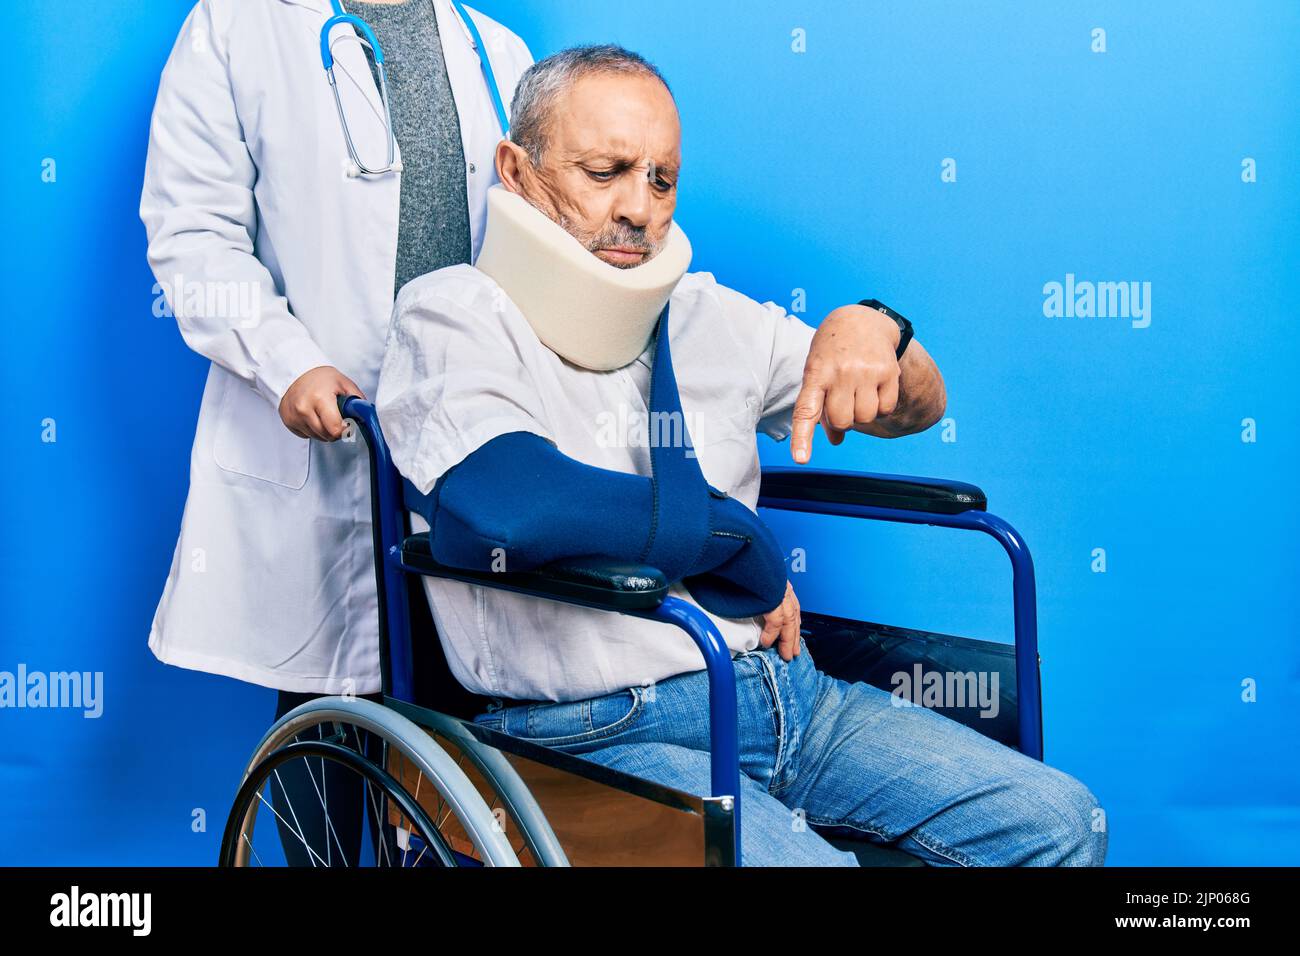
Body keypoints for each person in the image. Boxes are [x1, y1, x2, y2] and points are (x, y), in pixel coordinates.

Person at [375, 44, 1108, 866]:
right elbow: (508, 502)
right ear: (517, 169)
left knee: (1063, 821)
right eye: (605, 171)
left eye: (660, 179)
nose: (639, 209)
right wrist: (738, 543)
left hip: (790, 694)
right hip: (598, 734)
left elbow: (913, 409)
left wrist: (881, 331)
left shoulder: (708, 313)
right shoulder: (453, 316)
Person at [139, 0, 532, 865]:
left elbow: (543, 237)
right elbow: (191, 233)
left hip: (467, 443)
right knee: (329, 714)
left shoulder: (495, 50)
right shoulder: (237, 25)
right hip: (327, 430)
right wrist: (288, 362)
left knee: (463, 740)